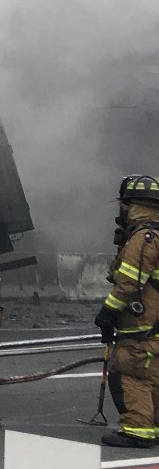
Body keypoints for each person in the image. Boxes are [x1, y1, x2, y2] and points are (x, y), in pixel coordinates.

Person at [99, 175, 159, 448]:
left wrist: (107, 313)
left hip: (140, 324)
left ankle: (137, 428)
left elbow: (128, 284)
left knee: (130, 370)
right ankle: (151, 426)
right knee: (151, 375)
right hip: (154, 326)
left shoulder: (143, 238)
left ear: (132, 206)